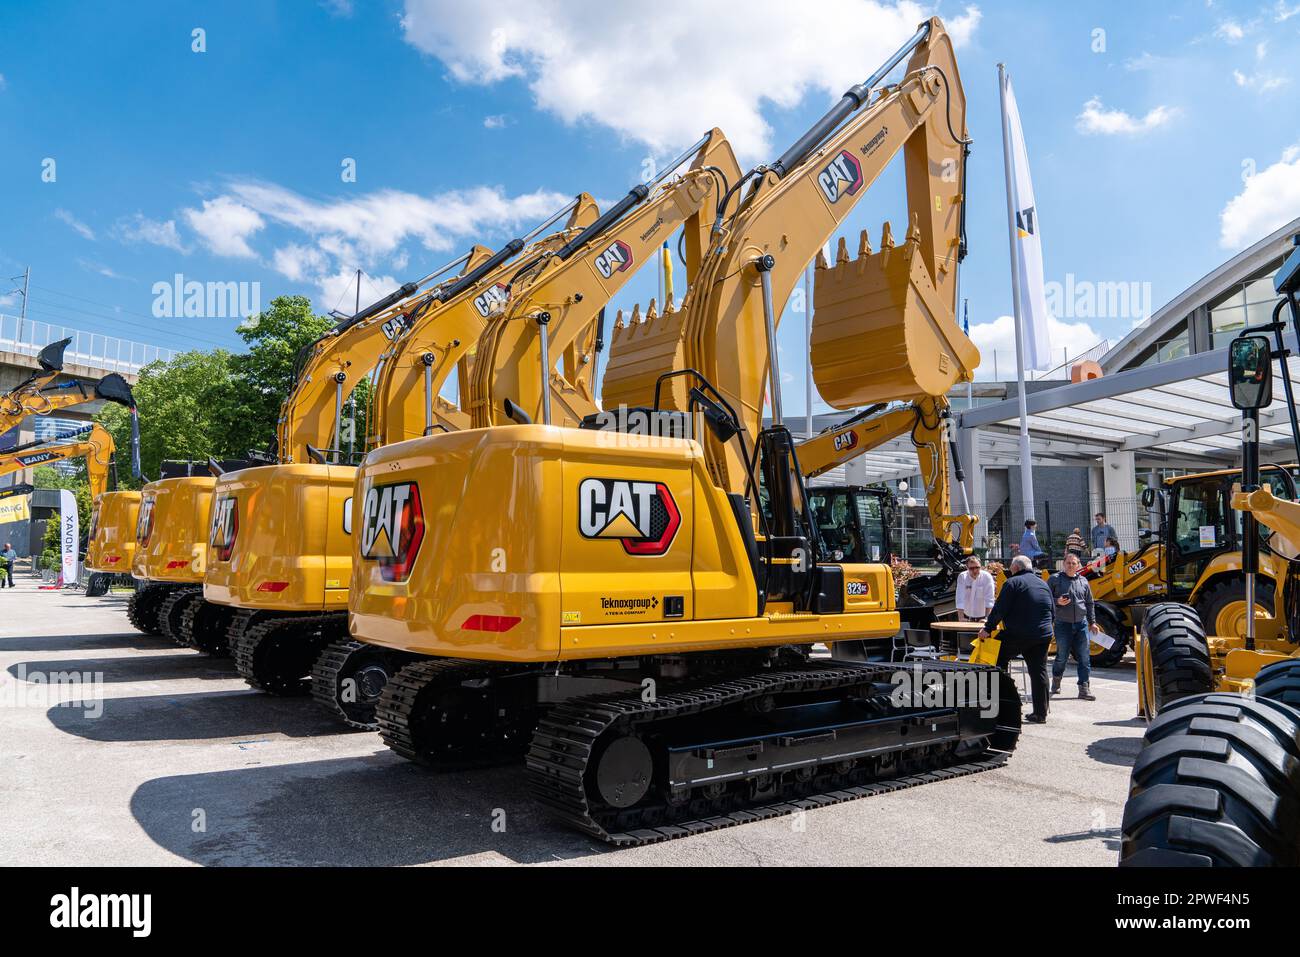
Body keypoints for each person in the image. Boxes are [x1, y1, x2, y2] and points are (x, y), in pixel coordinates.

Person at [979, 554, 1054, 723]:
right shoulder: (1043, 583)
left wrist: (988, 629)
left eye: (1011, 567)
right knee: (1039, 671)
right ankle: (1040, 714)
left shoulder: (1012, 582)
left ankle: (1004, 707)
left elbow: (1000, 609)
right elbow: (1052, 610)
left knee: (997, 659)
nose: (1009, 570)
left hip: (1019, 633)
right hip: (1043, 633)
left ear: (1017, 568)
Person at [1049, 552, 1100, 700]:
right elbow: (1045, 598)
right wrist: (1057, 601)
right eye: (1068, 563)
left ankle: (1084, 688)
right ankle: (1056, 681)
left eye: (1074, 563)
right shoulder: (1054, 579)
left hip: (1081, 624)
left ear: (1078, 565)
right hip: (1062, 624)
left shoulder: (1084, 581)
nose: (1071, 565)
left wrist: (1093, 622)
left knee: (1084, 657)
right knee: (1061, 657)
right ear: (1063, 564)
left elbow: (1090, 603)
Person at [955, 555, 995, 621]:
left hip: (983, 616)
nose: (975, 570)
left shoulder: (987, 577)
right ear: (967, 568)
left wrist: (987, 619)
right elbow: (960, 598)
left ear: (981, 566)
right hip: (966, 615)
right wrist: (961, 618)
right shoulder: (962, 577)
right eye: (971, 568)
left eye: (977, 567)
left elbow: (989, 599)